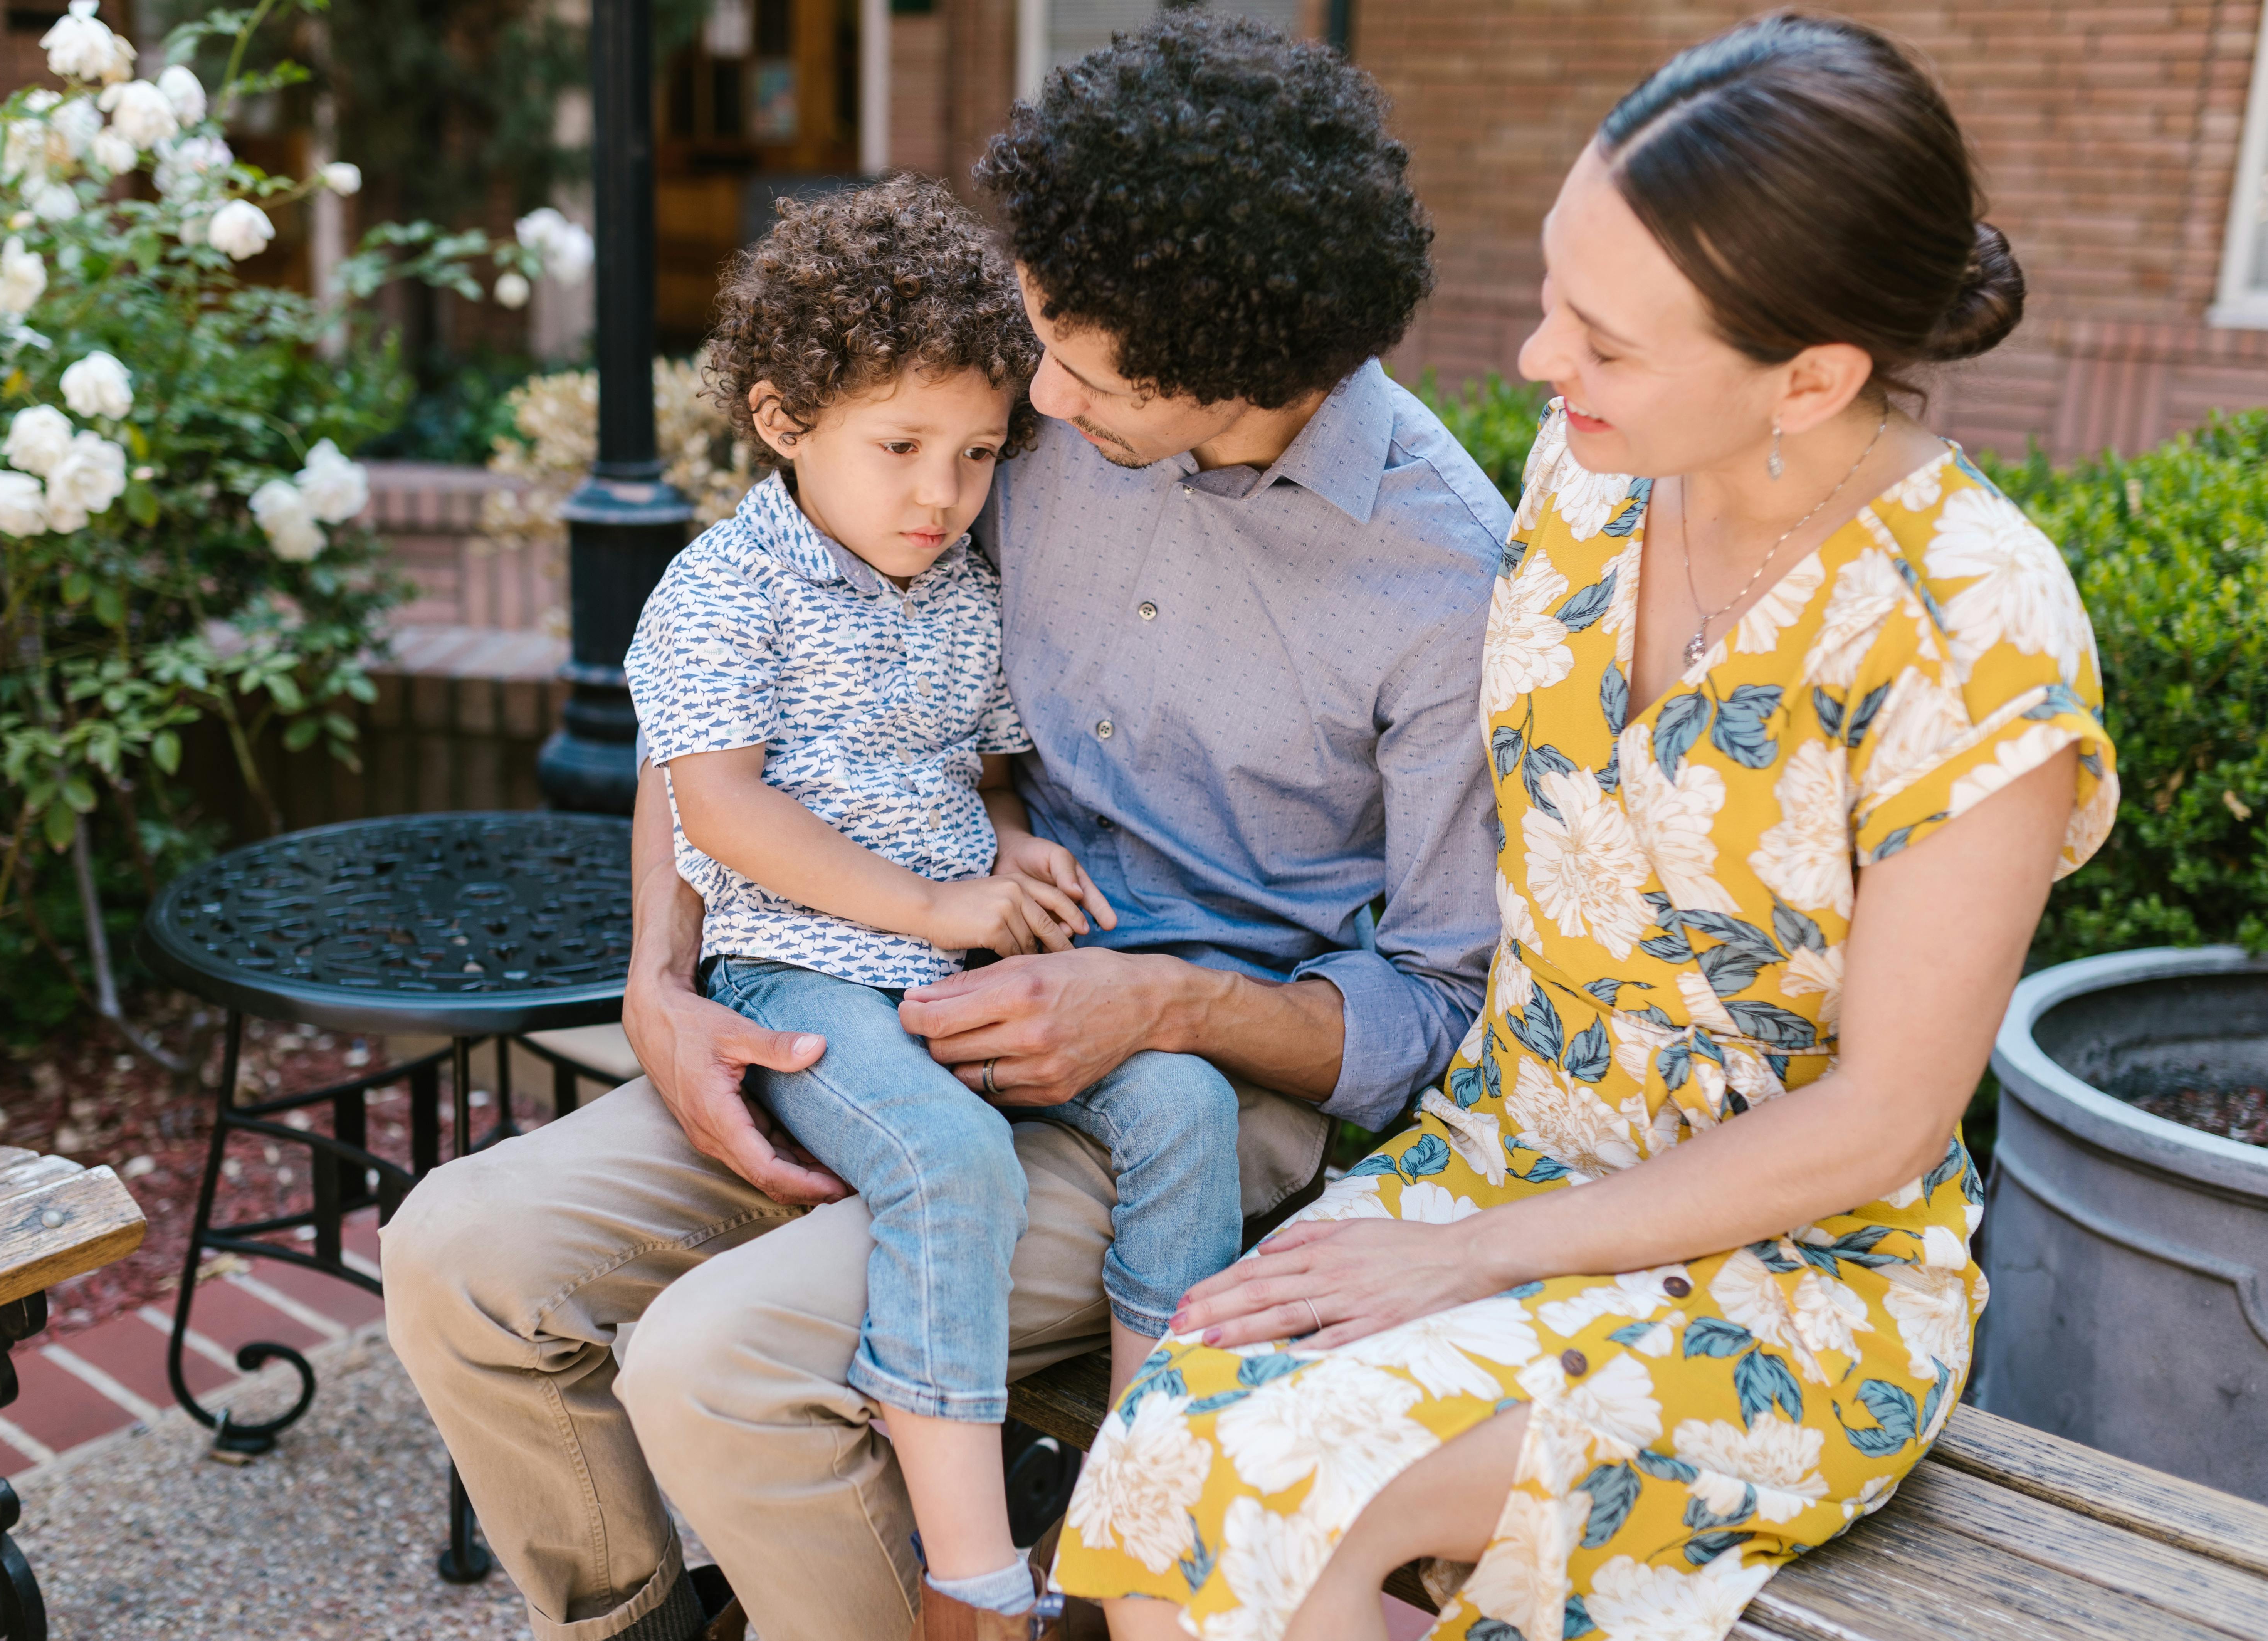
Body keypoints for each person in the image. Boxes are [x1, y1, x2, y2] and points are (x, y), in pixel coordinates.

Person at [380, 16, 1507, 1641]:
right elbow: (725, 704)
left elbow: (1438, 1003)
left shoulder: (1444, 580)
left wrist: (1158, 1003)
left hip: (1187, 1100)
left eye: (1082, 373)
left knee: (721, 1365)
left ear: (1238, 372)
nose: (1031, 399)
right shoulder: (1009, 429)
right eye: (1036, 345)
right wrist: (662, 983)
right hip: (889, 991)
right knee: (458, 1257)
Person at [1050, 15, 2121, 1641]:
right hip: (1499, 1152)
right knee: (1161, 1445)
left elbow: (1886, 1123)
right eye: (1554, 291)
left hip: (1789, 1275)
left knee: (1278, 1485)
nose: (1542, 361)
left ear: (1811, 376)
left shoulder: (1972, 630)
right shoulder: (1588, 471)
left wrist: (1478, 1258)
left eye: (1603, 340)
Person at [624, 175, 1244, 1641]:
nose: (939, 494)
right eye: (898, 448)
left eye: (974, 454)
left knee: (1187, 1108)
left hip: (954, 952)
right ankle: (975, 1584)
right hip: (801, 976)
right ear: (783, 421)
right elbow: (717, 806)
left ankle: (1138, 1508)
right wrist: (936, 900)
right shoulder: (725, 589)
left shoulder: (958, 587)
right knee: (954, 1158)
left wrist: (1012, 856)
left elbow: (982, 773)